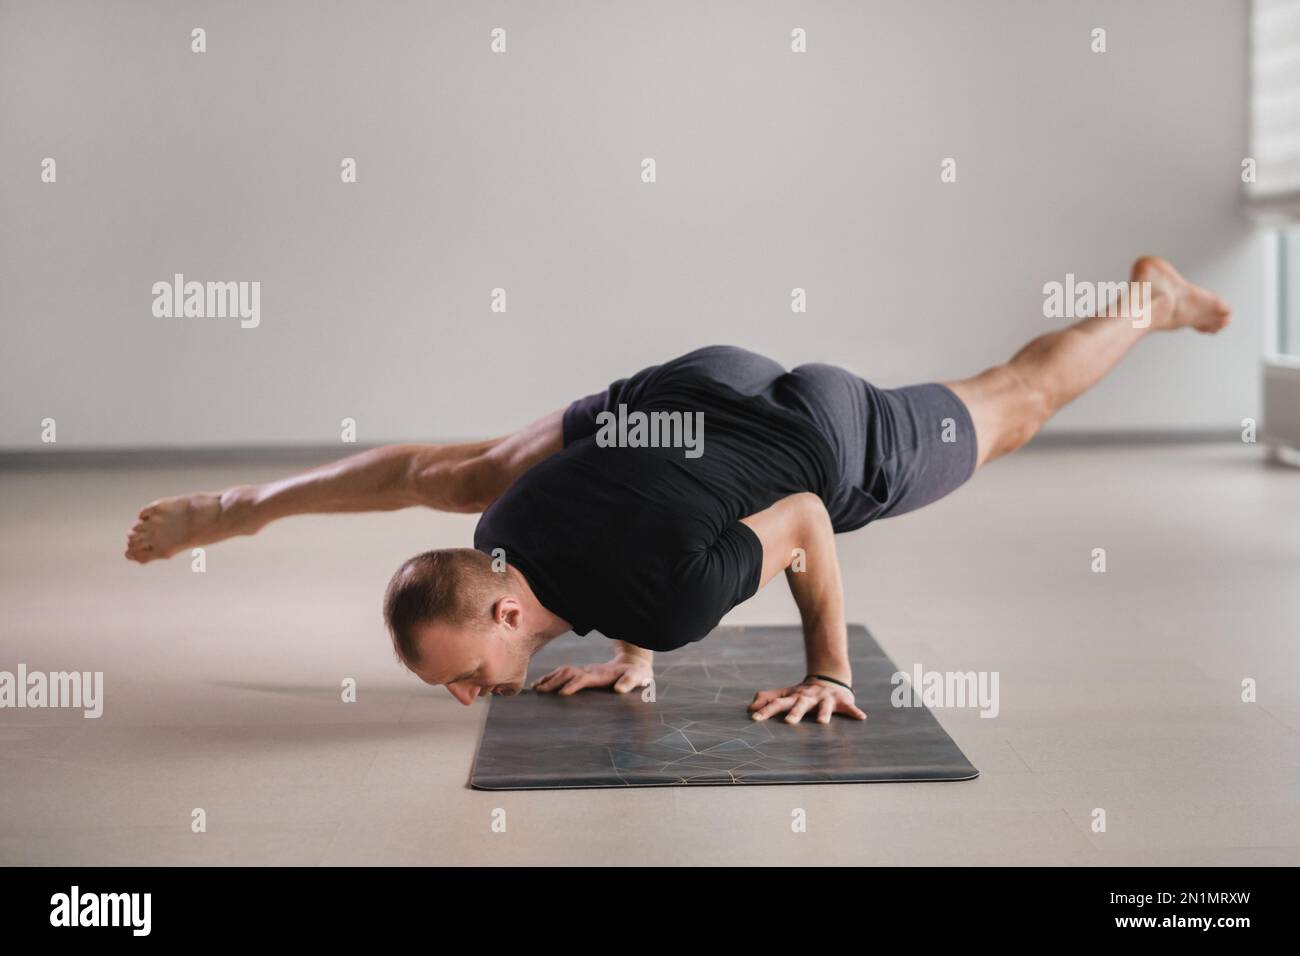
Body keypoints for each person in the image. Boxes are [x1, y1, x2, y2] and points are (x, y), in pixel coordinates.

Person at [125, 256, 1231, 725]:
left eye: (467, 676)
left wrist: (827, 669)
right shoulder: (501, 530)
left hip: (826, 439)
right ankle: (237, 508)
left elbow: (796, 522)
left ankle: (1148, 301)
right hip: (691, 388)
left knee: (1014, 403)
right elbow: (626, 509)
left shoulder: (660, 597)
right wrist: (629, 656)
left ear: (506, 611)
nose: (472, 698)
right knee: (454, 473)